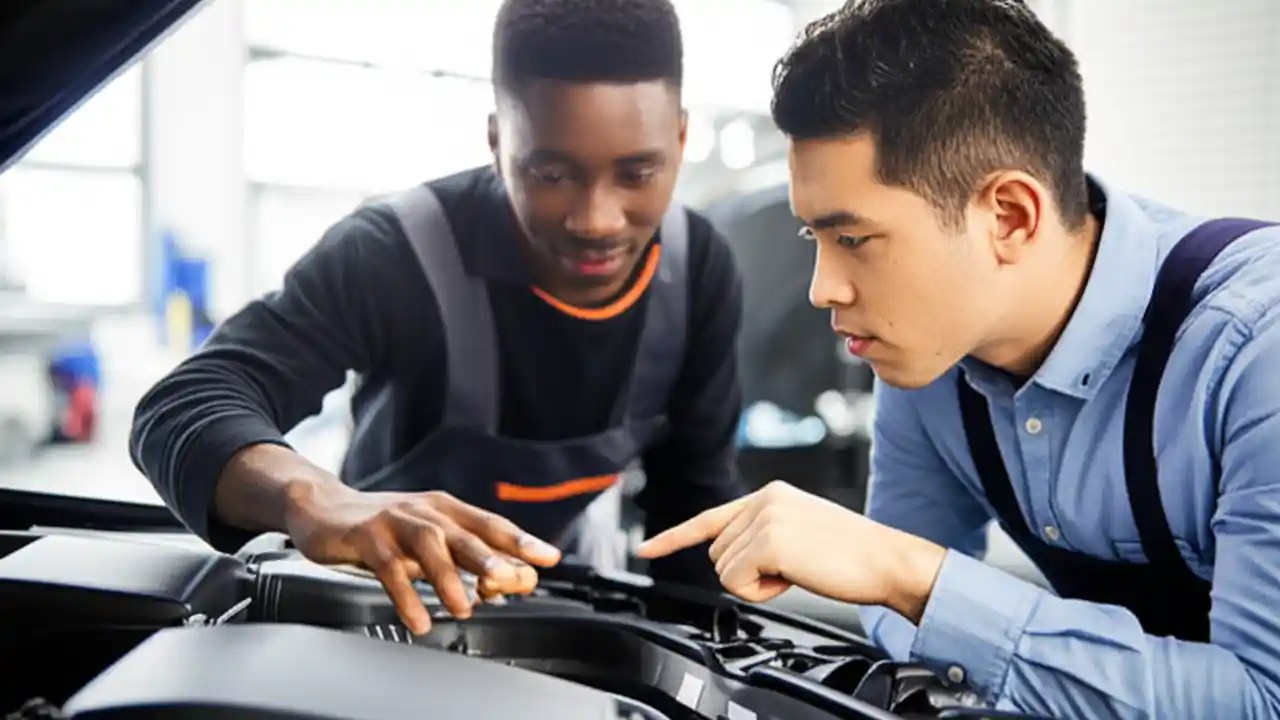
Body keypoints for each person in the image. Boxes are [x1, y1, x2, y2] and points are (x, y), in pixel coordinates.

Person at [638, 0, 1280, 717]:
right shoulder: (927, 354)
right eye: (810, 238)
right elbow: (898, 621)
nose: (823, 289)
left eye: (854, 240)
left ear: (1009, 216)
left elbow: (1263, 697)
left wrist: (908, 573)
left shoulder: (1257, 346)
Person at [130, 0, 746, 637]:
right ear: (496, 141)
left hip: (567, 618)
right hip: (381, 627)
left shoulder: (697, 269)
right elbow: (182, 406)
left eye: (637, 173)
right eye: (551, 173)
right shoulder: (397, 253)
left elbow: (694, 503)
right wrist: (312, 499)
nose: (596, 220)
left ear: (679, 139)